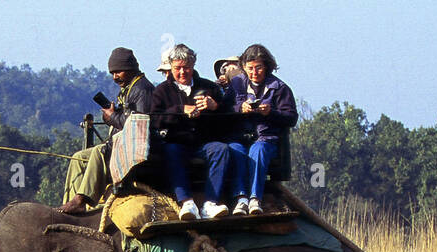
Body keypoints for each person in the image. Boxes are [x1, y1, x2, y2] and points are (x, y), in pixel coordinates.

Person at [58, 48, 155, 214]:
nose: (115, 77)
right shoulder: (128, 88)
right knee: (79, 158)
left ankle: (82, 200)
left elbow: (139, 125)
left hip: (132, 148)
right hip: (119, 143)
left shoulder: (142, 90)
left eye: (119, 72)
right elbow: (125, 118)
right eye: (112, 73)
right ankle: (70, 203)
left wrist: (112, 118)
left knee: (98, 152)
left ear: (131, 69)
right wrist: (112, 115)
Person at [148, 43, 233, 220]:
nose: (182, 73)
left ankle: (210, 203)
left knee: (221, 149)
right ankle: (186, 201)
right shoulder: (161, 91)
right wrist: (180, 110)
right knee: (171, 150)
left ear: (193, 66)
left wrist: (215, 106)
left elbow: (228, 116)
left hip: (204, 143)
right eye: (177, 68)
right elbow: (155, 119)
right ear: (170, 68)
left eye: (186, 68)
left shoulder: (210, 87)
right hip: (176, 143)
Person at [220, 44, 297, 214]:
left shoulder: (280, 87)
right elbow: (224, 109)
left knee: (258, 150)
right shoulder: (237, 84)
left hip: (266, 139)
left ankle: (255, 198)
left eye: (258, 68)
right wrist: (240, 108)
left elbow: (291, 118)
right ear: (244, 68)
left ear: (267, 66)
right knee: (235, 150)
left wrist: (271, 113)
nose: (254, 72)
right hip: (240, 137)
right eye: (250, 68)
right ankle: (241, 198)